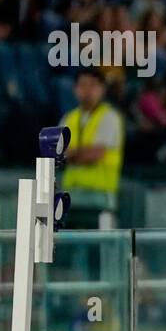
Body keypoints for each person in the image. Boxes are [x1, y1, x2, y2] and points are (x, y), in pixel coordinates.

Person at [60, 68, 124, 229]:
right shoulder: (69, 118)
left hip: (100, 198)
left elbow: (95, 154)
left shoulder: (110, 117)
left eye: (92, 85)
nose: (87, 90)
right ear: (75, 89)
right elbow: (58, 154)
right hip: (71, 197)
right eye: (82, 85)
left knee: (98, 251)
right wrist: (79, 153)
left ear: (102, 89)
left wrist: (72, 154)